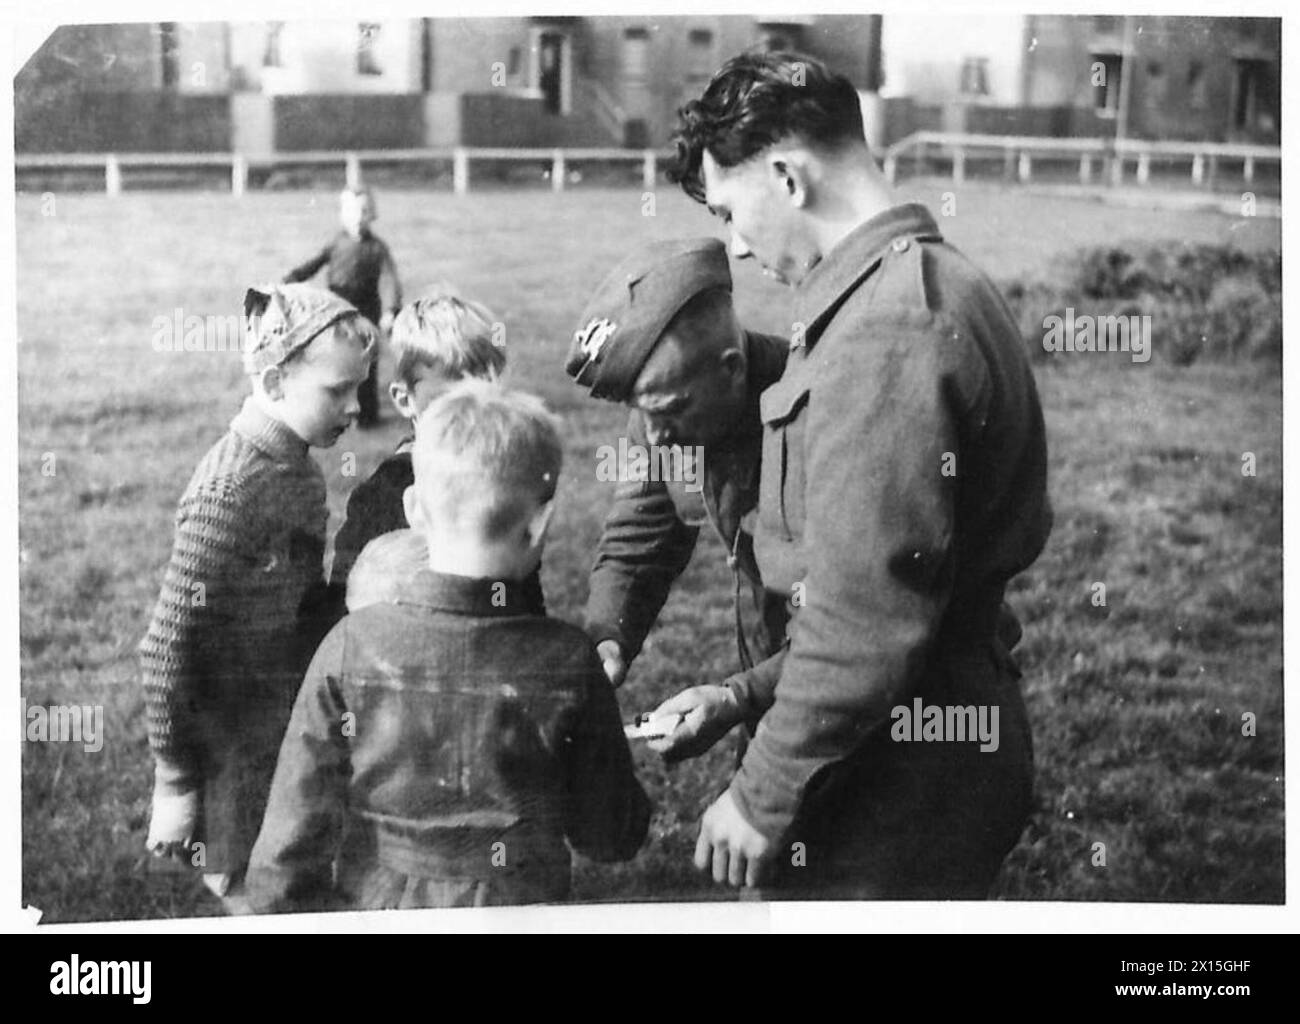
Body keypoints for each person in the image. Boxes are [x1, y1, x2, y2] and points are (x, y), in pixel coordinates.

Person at [653, 51, 1053, 898]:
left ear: (789, 180)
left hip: (898, 780)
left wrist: (760, 797)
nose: (737, 245)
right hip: (918, 735)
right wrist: (737, 698)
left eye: (731, 211)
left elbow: (866, 619)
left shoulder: (886, 330)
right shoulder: (918, 285)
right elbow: (890, 597)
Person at [245, 380, 651, 912]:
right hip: (519, 911)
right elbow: (610, 835)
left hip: (378, 910)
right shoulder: (568, 661)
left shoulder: (349, 644)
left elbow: (286, 849)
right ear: (541, 523)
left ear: (414, 507)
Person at [139, 283, 376, 908]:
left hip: (281, 725)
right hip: (230, 747)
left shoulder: (296, 464)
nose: (356, 407)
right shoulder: (228, 494)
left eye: (360, 388)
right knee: (255, 894)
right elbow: (166, 648)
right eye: (338, 391)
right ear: (273, 384)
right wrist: (175, 781)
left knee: (292, 876)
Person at [565, 237, 789, 701]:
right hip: (777, 667)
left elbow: (857, 621)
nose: (652, 435)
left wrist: (740, 698)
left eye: (666, 411)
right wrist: (610, 634)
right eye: (640, 411)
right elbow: (641, 535)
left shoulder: (814, 412)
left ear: (732, 369)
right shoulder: (668, 414)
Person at [327, 292, 521, 599]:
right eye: (450, 399)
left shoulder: (498, 477)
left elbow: (519, 588)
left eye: (486, 393)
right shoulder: (384, 494)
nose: (471, 413)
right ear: (405, 400)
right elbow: (346, 606)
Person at [283, 185, 402, 427]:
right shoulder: (335, 243)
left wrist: (391, 310)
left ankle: (368, 418)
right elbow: (312, 264)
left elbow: (389, 279)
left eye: (365, 211)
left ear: (373, 215)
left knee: (367, 363)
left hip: (367, 311)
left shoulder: (377, 248)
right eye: (353, 211)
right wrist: (290, 281)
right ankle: (331, 410)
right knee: (336, 362)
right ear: (343, 214)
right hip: (336, 312)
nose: (359, 217)